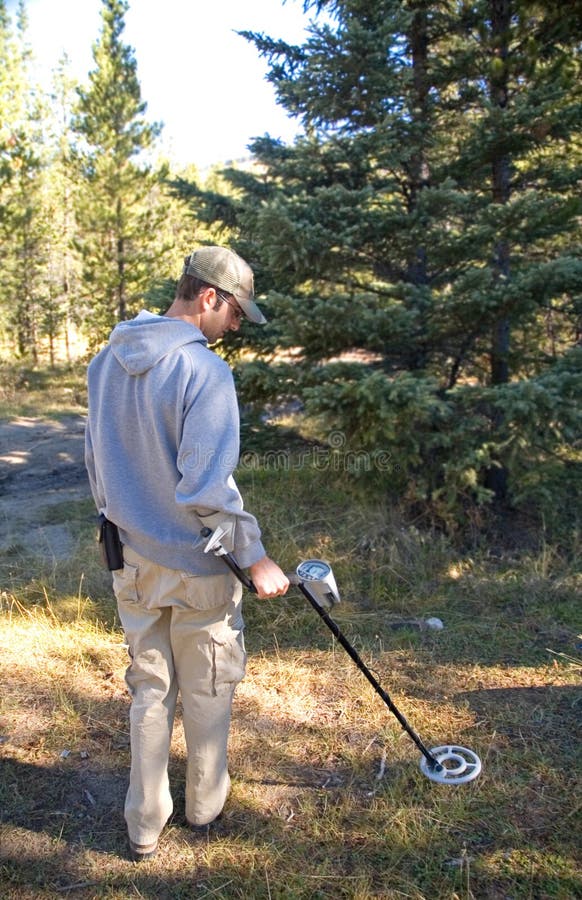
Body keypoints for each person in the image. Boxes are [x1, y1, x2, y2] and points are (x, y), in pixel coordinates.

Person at [85, 245, 289, 862]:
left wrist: (122, 522)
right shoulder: (204, 373)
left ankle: (144, 825)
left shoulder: (106, 359)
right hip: (200, 569)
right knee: (207, 687)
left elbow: (96, 463)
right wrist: (254, 559)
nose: (233, 329)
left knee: (150, 689)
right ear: (208, 297)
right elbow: (205, 489)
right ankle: (204, 809)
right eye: (233, 315)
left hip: (132, 559)